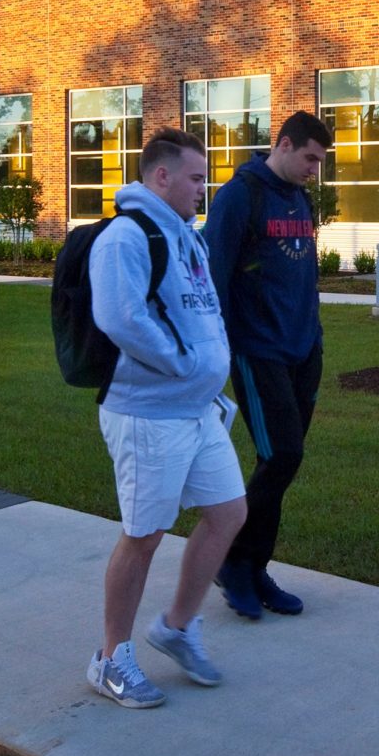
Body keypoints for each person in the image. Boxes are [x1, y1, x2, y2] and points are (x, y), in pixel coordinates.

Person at [87, 128, 245, 709]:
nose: (204, 189)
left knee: (228, 512)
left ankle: (176, 628)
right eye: (197, 177)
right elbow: (121, 318)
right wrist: (182, 363)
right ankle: (109, 659)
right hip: (148, 413)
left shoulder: (186, 237)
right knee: (144, 536)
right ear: (162, 177)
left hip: (197, 411)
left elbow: (202, 310)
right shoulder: (126, 237)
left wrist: (209, 368)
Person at [201, 109, 333, 620]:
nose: (314, 170)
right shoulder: (240, 196)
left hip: (303, 350)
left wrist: (314, 336)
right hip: (258, 351)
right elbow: (214, 276)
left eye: (319, 162)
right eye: (309, 158)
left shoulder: (299, 199)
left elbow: (303, 276)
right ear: (282, 145)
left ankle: (254, 568)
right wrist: (220, 350)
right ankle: (233, 562)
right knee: (282, 456)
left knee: (279, 463)